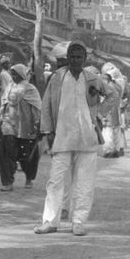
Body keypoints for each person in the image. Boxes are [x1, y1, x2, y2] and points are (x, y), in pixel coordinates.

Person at [34, 41, 115, 236]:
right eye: (72, 57)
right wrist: (48, 131)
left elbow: (112, 95)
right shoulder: (57, 78)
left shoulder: (93, 79)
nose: (76, 60)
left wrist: (99, 114)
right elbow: (46, 105)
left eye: (79, 57)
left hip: (87, 137)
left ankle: (78, 222)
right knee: (55, 180)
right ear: (67, 58)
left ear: (85, 59)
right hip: (62, 136)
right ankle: (50, 221)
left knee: (84, 182)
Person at [0, 64, 42, 190]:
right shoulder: (9, 87)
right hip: (9, 123)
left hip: (25, 126)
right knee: (7, 151)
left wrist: (37, 123)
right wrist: (1, 117)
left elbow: (36, 107)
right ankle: (8, 182)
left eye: (15, 74)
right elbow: (4, 102)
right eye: (12, 74)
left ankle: (29, 178)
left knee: (26, 153)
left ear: (21, 74)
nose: (13, 76)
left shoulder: (30, 89)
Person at [100, 62, 127, 158]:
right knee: (116, 130)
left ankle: (109, 150)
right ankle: (116, 149)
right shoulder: (119, 85)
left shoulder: (108, 86)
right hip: (116, 111)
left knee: (107, 131)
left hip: (109, 111)